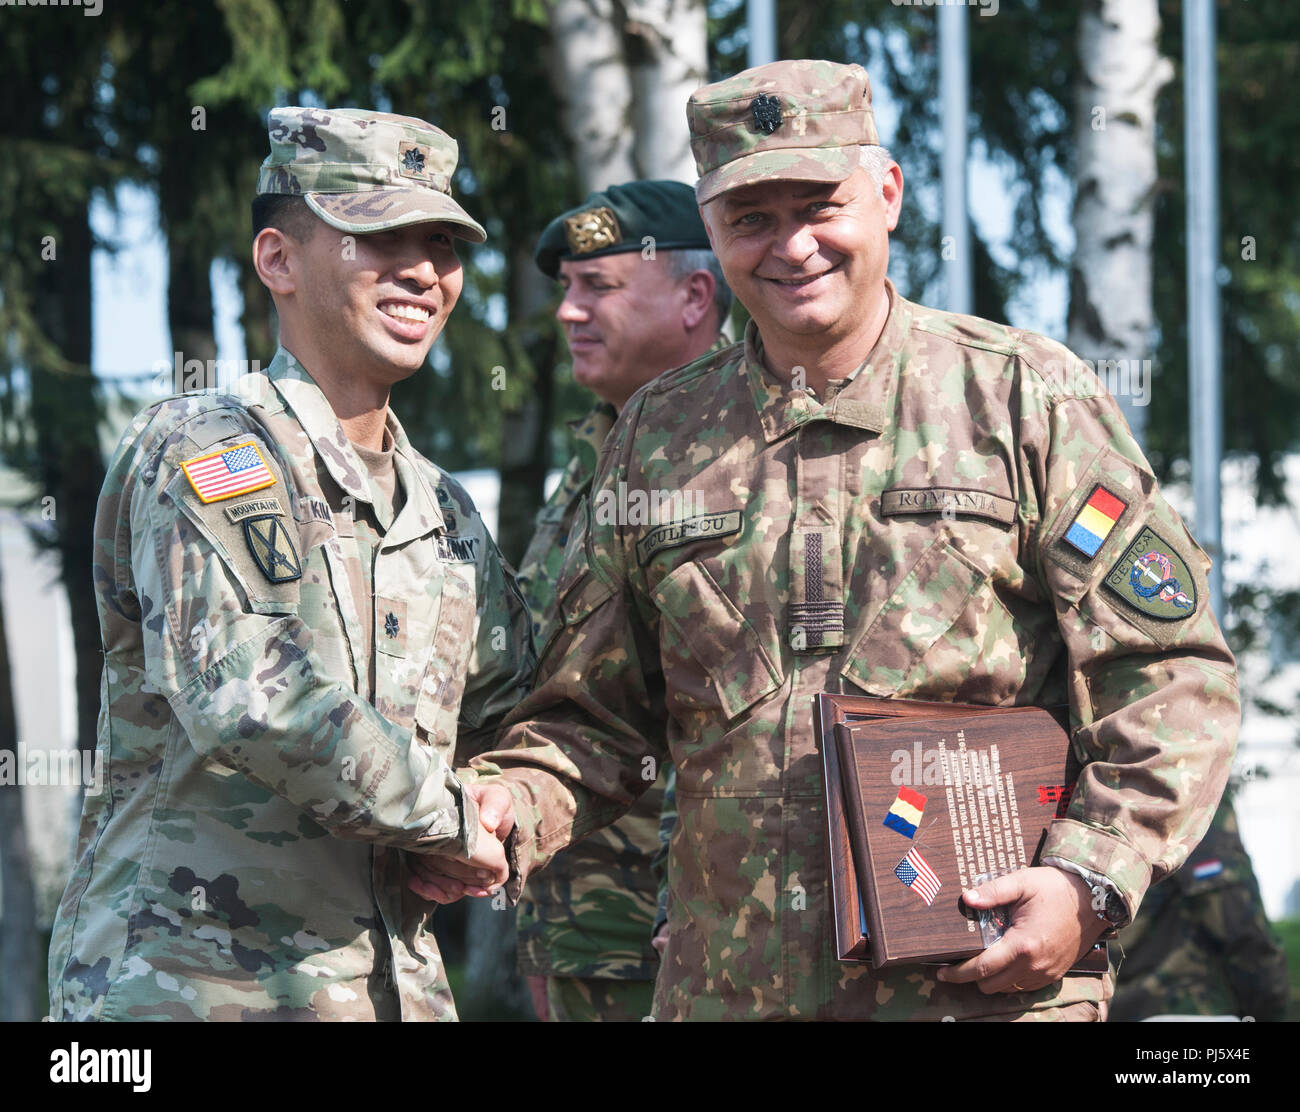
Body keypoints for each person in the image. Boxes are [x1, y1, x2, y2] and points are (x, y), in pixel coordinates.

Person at [415, 60, 1240, 1021]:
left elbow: (1171, 672)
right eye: (750, 219)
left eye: (820, 206)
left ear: (886, 194)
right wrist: (511, 801)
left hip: (980, 993)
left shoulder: (1023, 398)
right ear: (712, 231)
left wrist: (1089, 882)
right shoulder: (656, 438)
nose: (792, 246)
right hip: (729, 991)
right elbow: (591, 718)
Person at [47, 107, 533, 1022]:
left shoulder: (446, 511)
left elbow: (519, 707)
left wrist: (518, 801)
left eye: (440, 244)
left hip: (394, 996)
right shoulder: (207, 449)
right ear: (279, 260)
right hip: (194, 994)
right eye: (377, 236)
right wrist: (457, 821)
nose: (423, 272)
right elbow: (250, 697)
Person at [516, 181, 731, 1022]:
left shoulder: (750, 450)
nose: (570, 312)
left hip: (714, 926)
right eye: (566, 289)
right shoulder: (593, 457)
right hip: (584, 922)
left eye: (596, 287)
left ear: (693, 296)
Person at [1110, 798, 1289, 1021]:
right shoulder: (1192, 785)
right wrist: (1272, 1010)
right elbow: (1235, 918)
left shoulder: (1093, 786)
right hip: (1186, 1008)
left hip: (1111, 1007)